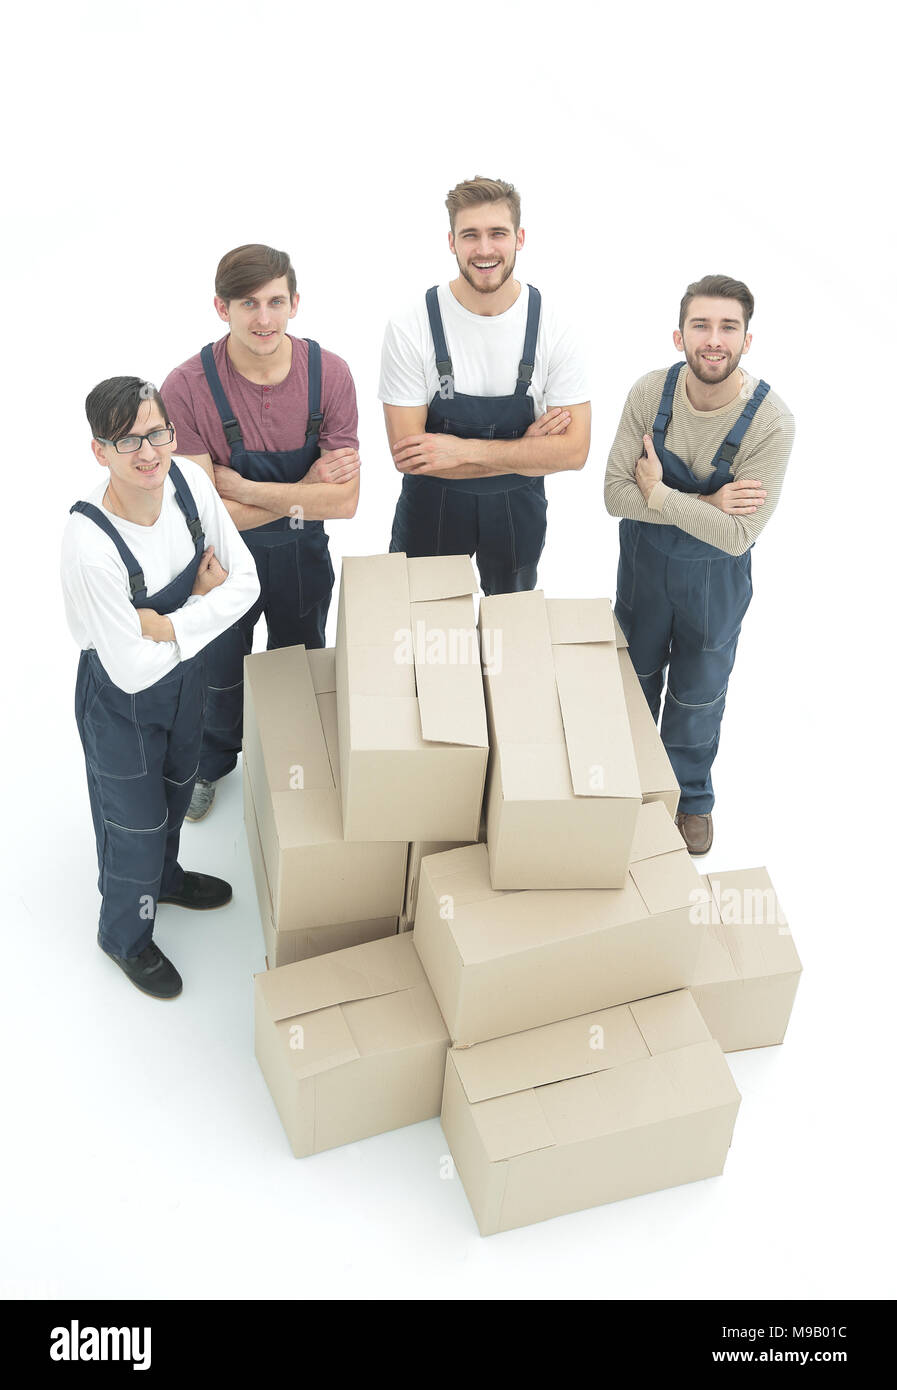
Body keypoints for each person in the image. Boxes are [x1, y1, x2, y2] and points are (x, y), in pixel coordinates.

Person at [62, 378, 261, 998]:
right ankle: (125, 934)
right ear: (100, 451)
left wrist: (170, 623)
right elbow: (129, 668)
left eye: (157, 433)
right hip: (120, 704)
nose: (149, 454)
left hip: (183, 679)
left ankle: (165, 881)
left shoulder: (190, 486)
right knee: (135, 826)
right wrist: (205, 605)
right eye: (128, 442)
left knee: (178, 789)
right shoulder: (90, 543)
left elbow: (247, 584)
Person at [161, 244, 361, 821]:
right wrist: (305, 489)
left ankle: (291, 770)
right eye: (248, 303)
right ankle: (212, 765)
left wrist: (243, 490)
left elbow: (344, 501)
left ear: (296, 303)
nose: (264, 318)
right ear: (220, 308)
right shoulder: (187, 385)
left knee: (297, 668)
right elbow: (202, 520)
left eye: (276, 301)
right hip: (219, 565)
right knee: (218, 676)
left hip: (302, 557)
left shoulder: (331, 375)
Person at [604, 275, 795, 854]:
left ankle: (689, 800)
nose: (714, 339)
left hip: (715, 582)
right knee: (632, 681)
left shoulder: (771, 420)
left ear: (747, 339)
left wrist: (662, 498)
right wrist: (707, 503)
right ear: (678, 334)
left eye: (728, 327)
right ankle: (630, 786)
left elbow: (737, 535)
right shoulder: (648, 393)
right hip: (642, 570)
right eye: (702, 325)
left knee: (698, 693)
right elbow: (615, 495)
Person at [381, 176, 591, 594]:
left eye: (498, 233)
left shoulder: (555, 326)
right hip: (431, 508)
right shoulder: (411, 325)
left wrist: (457, 450)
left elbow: (574, 452)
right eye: (470, 235)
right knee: (425, 637)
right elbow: (411, 458)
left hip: (518, 511)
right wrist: (528, 452)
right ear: (451, 242)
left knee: (509, 640)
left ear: (520, 238)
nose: (484, 249)